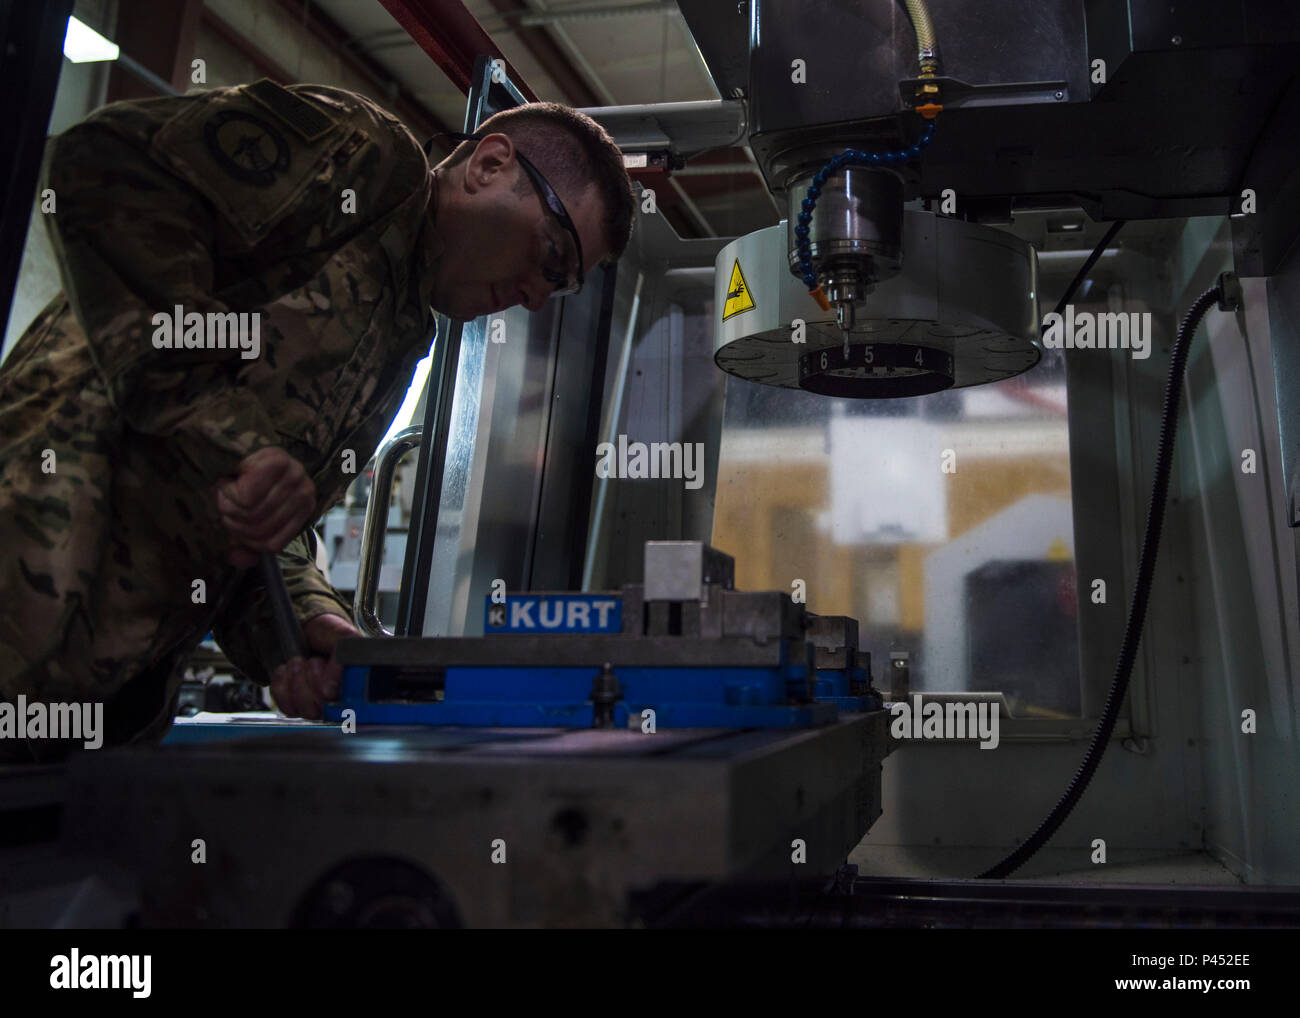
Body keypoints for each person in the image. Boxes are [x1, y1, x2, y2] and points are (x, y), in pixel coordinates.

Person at [0, 78, 635, 761]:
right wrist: (231, 436)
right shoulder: (368, 160)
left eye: (563, 286)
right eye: (552, 257)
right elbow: (107, 163)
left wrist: (306, 623)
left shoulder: (400, 339)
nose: (538, 299)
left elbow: (261, 522)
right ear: (489, 166)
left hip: (93, 709)